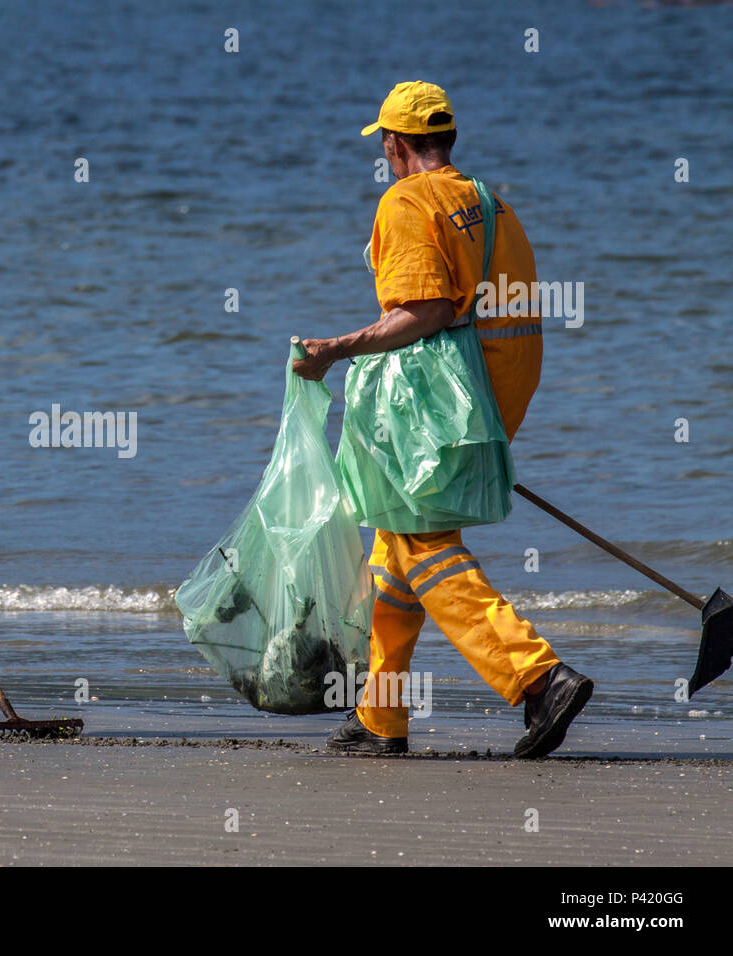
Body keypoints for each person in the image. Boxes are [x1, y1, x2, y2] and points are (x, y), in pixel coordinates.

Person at [292, 81, 592, 758]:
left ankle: (539, 679)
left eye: (385, 143)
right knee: (395, 546)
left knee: (423, 545)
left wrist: (335, 351)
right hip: (499, 383)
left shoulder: (406, 201)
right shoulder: (487, 200)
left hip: (444, 399)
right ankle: (379, 717)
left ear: (395, 144)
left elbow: (423, 311)